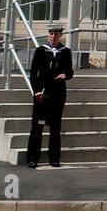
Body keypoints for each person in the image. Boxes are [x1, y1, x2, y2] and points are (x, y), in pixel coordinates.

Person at [27, 23, 73, 168]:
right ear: (49, 35)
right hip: (43, 92)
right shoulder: (41, 50)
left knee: (55, 127)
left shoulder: (65, 51)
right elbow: (33, 73)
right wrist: (36, 90)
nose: (53, 37)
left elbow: (70, 71)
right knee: (37, 126)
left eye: (56, 34)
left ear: (60, 35)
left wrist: (65, 75)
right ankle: (33, 158)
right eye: (51, 34)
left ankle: (54, 158)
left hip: (58, 93)